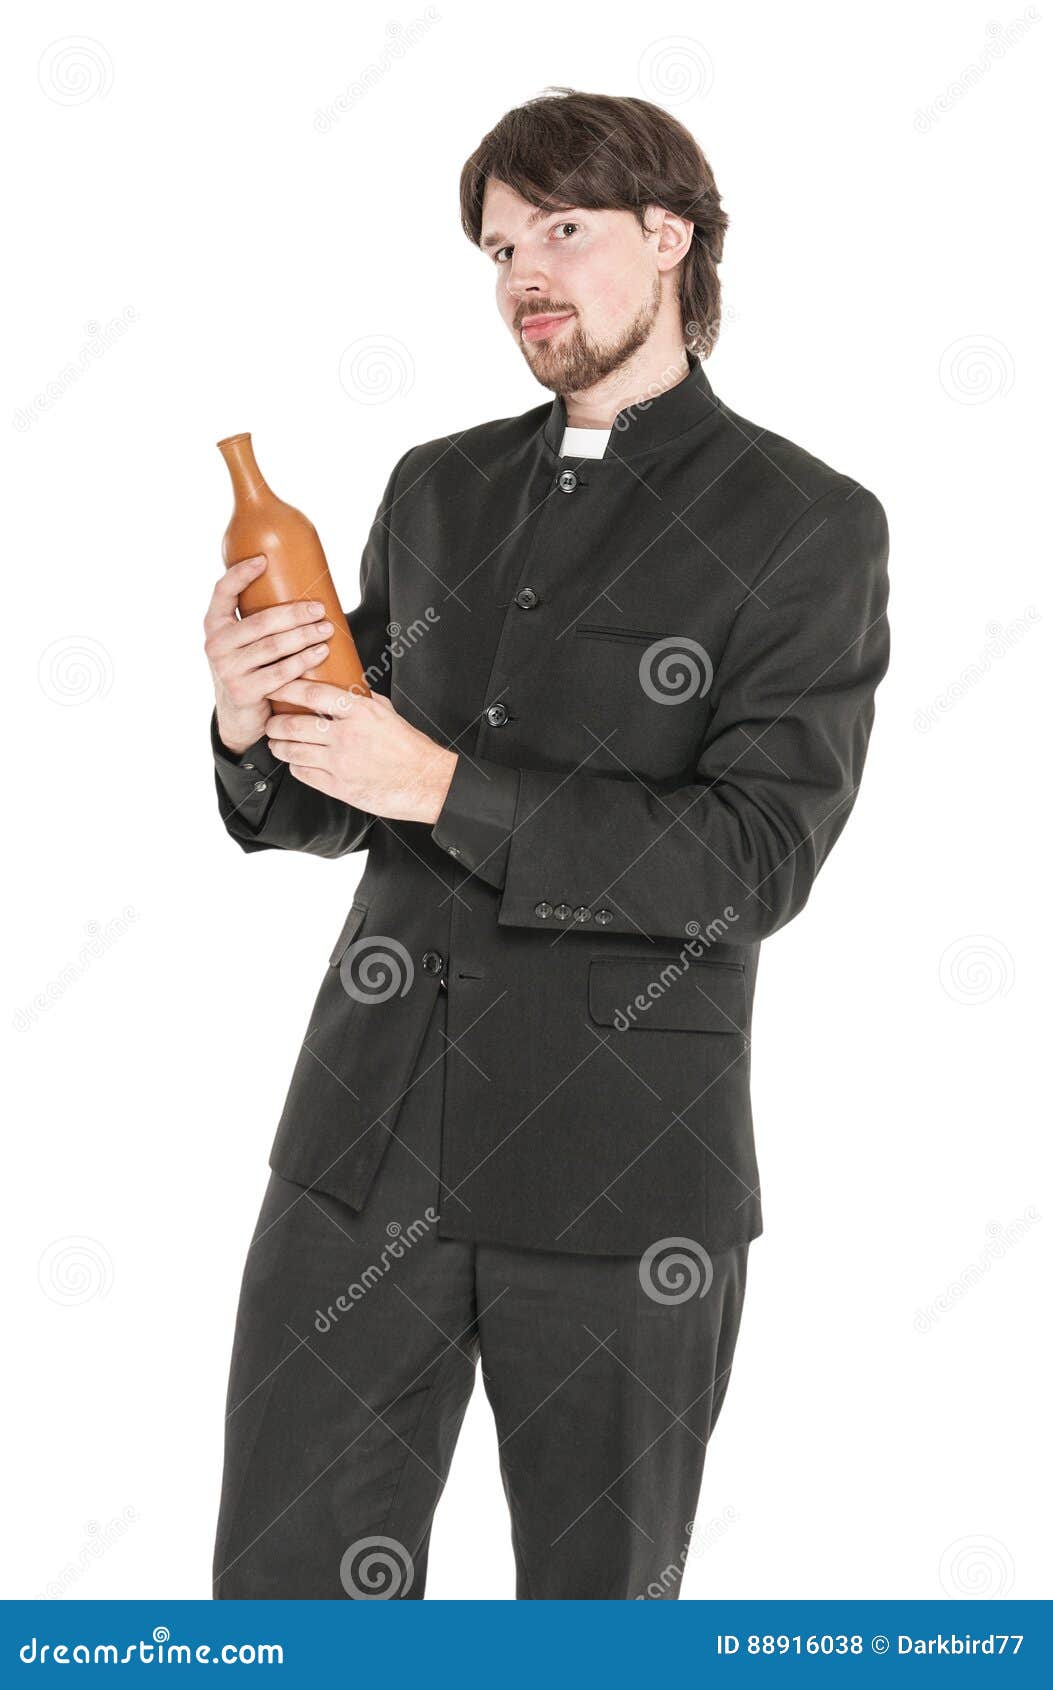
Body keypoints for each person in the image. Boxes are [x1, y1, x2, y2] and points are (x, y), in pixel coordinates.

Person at [204, 88, 890, 1600]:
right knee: (279, 1604)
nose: (522, 270)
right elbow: (349, 783)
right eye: (501, 243)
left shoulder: (805, 522)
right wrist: (255, 730)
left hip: (622, 1183)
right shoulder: (437, 486)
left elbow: (750, 861)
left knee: (591, 1623)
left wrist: (444, 782)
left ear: (670, 236)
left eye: (560, 230)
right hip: (362, 1148)